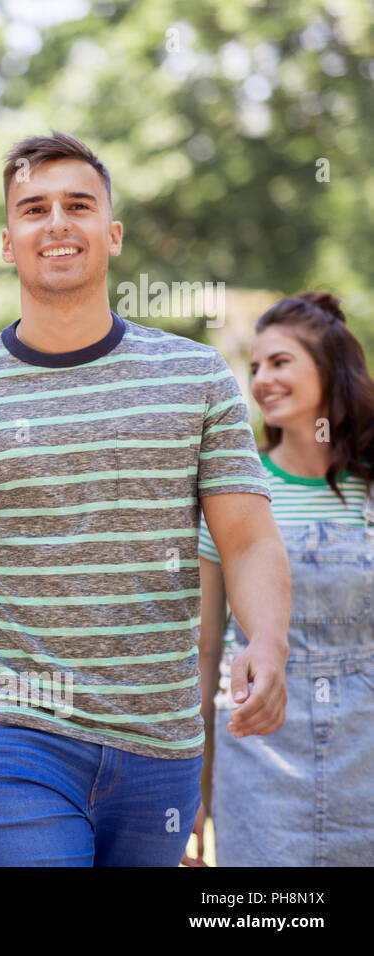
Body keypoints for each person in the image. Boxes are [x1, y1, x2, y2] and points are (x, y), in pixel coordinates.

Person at [0, 131, 291, 867]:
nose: (56, 222)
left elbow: (248, 538)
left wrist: (268, 640)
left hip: (160, 741)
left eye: (78, 205)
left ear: (112, 233)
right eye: (34, 208)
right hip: (13, 736)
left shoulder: (196, 379)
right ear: (8, 242)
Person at [189, 291, 374, 866]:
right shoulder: (235, 497)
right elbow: (203, 647)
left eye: (280, 362)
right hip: (258, 757)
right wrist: (193, 784)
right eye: (255, 368)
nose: (262, 379)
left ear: (329, 372)